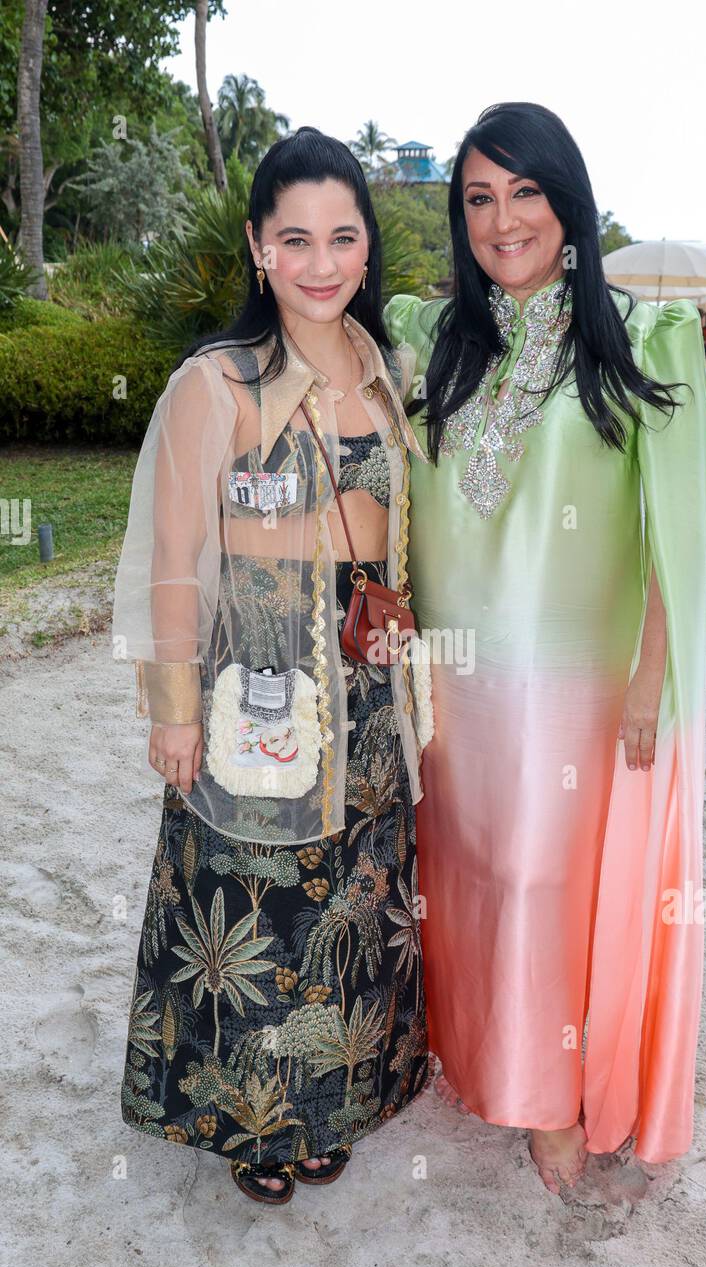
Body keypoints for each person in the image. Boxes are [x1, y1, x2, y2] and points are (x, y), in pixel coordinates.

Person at [384, 102, 706, 1195]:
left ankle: (551, 1098)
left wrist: (650, 676)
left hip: (576, 687)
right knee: (468, 868)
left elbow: (674, 529)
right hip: (455, 684)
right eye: (477, 197)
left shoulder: (644, 341)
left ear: (566, 202)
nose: (501, 218)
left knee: (543, 874)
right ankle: (477, 1055)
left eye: (523, 191)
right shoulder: (430, 338)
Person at [112, 129, 435, 1206]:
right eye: (294, 238)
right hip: (262, 693)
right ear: (258, 246)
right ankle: (253, 1123)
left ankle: (328, 1107)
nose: (319, 261)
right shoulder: (219, 384)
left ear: (365, 247)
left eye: (342, 236)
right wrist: (171, 709)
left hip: (369, 691)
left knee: (349, 905)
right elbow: (171, 562)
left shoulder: (385, 372)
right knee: (256, 902)